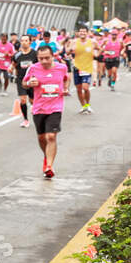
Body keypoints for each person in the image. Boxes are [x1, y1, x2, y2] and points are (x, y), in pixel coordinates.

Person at [23, 44, 70, 178]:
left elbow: (66, 78)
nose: (44, 61)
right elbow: (23, 83)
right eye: (41, 58)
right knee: (42, 138)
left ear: (53, 56)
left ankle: (49, 166)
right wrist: (29, 84)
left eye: (47, 58)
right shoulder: (33, 68)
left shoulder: (62, 68)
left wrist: (66, 88)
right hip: (39, 107)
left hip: (55, 107)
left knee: (51, 136)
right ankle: (46, 156)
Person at [10, 35, 38, 126]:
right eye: (22, 41)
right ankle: (25, 120)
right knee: (22, 100)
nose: (24, 42)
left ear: (30, 42)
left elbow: (39, 66)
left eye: (26, 40)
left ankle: (35, 110)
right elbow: (13, 64)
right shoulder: (17, 55)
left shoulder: (35, 54)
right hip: (21, 79)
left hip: (32, 79)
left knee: (32, 100)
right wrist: (10, 68)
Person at [69, 28, 97, 114]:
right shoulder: (74, 42)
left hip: (87, 68)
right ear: (78, 33)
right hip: (77, 68)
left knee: (85, 88)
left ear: (87, 33)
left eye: (84, 32)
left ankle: (87, 104)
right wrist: (70, 49)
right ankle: (83, 106)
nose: (82, 33)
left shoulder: (92, 42)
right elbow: (67, 52)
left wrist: (96, 55)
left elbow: (99, 49)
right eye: (81, 31)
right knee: (78, 89)